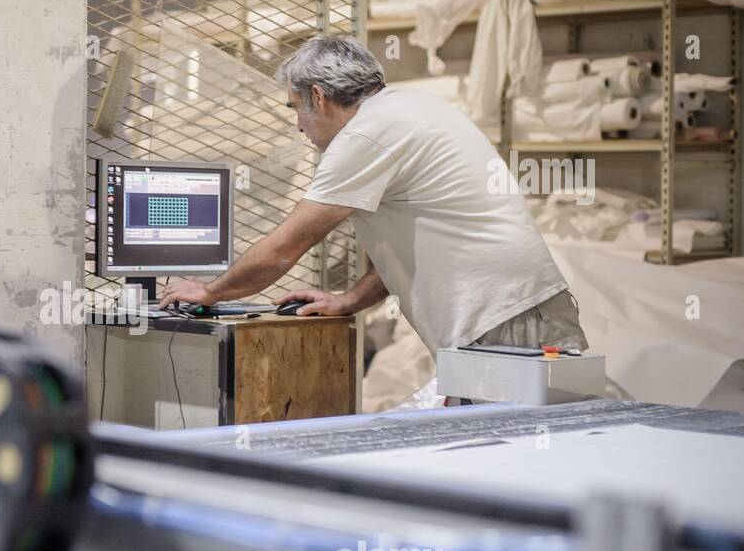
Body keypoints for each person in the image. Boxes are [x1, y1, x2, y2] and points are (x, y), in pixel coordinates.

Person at [159, 36, 587, 355]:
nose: (298, 127)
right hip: (509, 312)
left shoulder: (366, 134)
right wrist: (349, 300)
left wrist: (211, 293)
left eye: (294, 109)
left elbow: (285, 248)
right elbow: (420, 235)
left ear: (320, 98)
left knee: (517, 457)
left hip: (506, 317)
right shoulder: (405, 107)